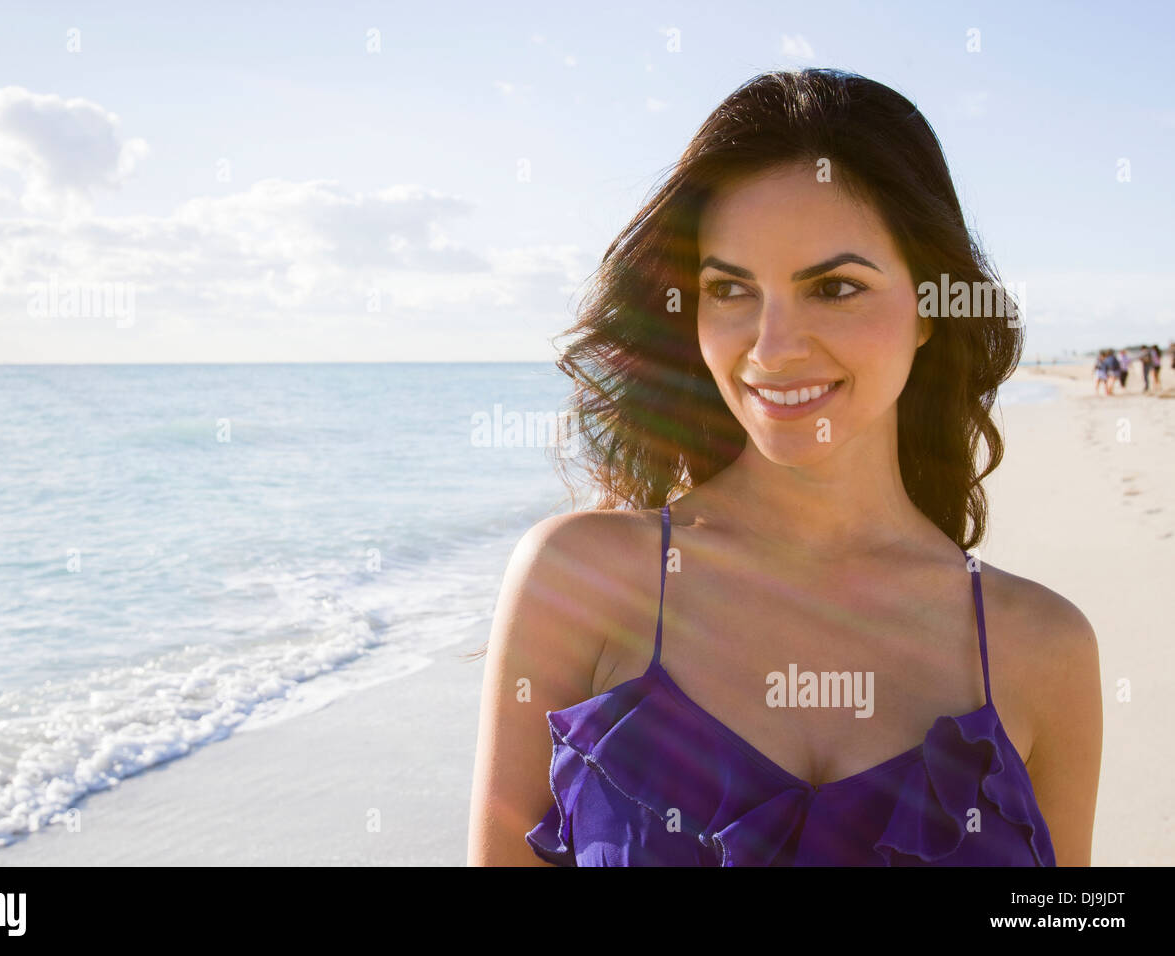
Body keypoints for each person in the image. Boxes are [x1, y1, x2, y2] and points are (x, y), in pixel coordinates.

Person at [467, 69, 1100, 868]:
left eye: (834, 287)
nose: (770, 349)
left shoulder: (1044, 649)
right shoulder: (580, 582)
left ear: (932, 307)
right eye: (730, 289)